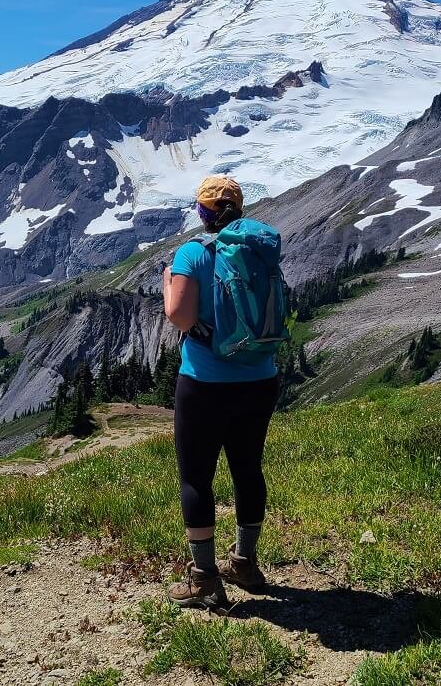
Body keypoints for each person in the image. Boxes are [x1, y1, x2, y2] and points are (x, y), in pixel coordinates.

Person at [161, 174, 282, 607]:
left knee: (197, 477)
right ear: (239, 209)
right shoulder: (258, 251)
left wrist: (166, 282)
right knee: (248, 469)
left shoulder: (194, 252)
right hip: (260, 378)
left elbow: (179, 315)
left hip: (205, 382)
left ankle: (203, 577)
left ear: (202, 213)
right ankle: (244, 561)